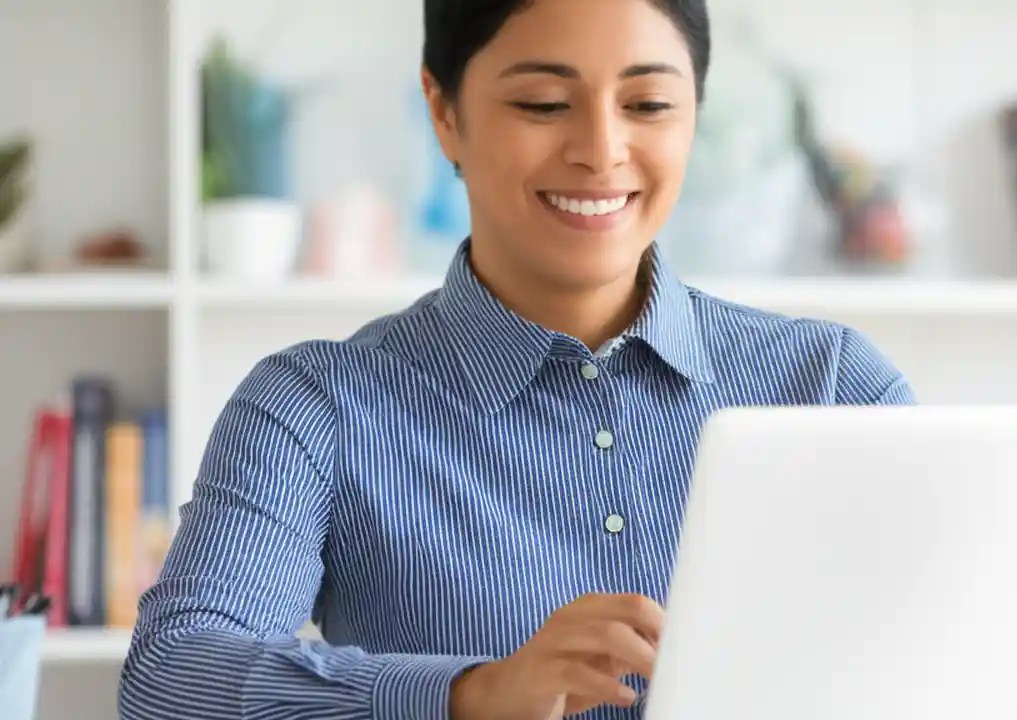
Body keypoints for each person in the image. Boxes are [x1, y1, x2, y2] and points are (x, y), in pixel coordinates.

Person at [118, 1, 915, 718]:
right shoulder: (315, 406)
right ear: (444, 112)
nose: (602, 152)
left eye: (649, 105)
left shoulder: (834, 386)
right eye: (543, 103)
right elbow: (170, 683)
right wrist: (470, 695)